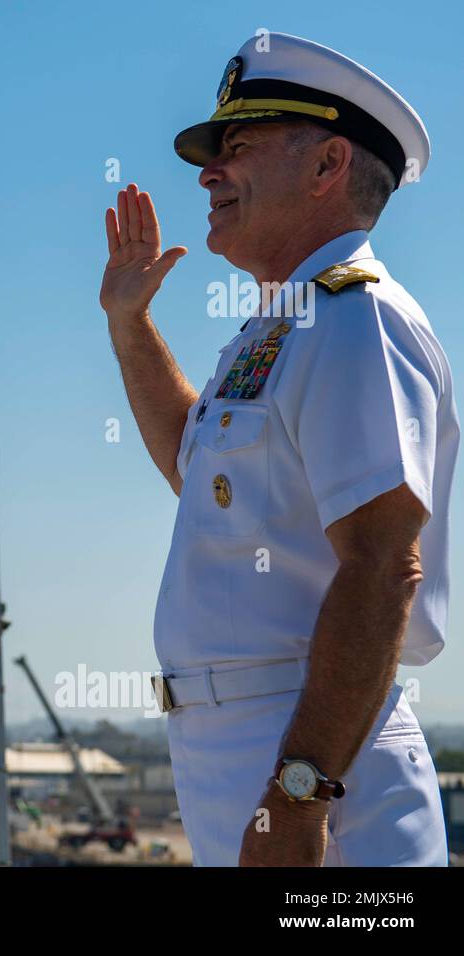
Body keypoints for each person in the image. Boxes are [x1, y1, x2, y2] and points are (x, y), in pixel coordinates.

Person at [100, 34, 456, 866]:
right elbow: (199, 468)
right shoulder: (290, 323)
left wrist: (300, 794)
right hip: (250, 754)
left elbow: (381, 566)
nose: (208, 174)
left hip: (316, 766)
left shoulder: (354, 316)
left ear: (329, 163)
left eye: (239, 147)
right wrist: (130, 325)